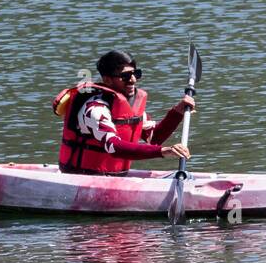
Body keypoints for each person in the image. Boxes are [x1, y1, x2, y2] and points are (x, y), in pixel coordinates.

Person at [53, 50, 194, 175]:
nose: (133, 80)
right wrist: (163, 151)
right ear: (107, 80)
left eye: (136, 74)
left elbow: (155, 138)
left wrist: (177, 112)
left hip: (116, 176)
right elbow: (114, 146)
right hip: (82, 177)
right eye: (126, 76)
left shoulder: (129, 108)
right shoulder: (95, 109)